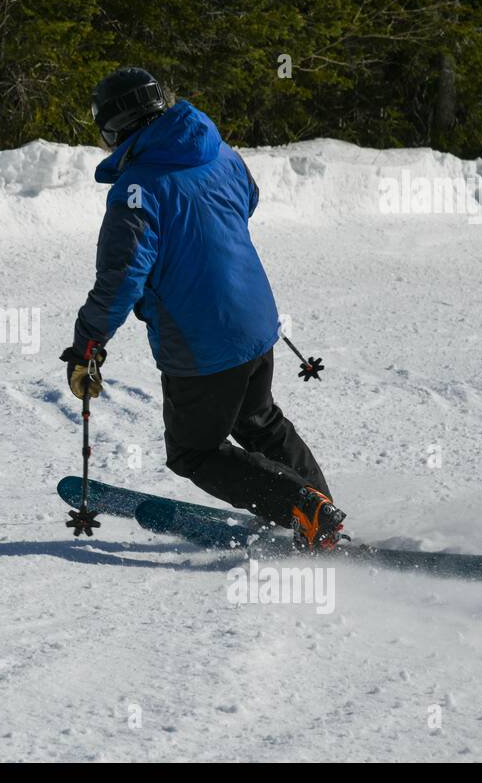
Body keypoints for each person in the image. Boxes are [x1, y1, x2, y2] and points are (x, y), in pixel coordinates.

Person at [60, 67, 346, 550]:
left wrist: (87, 345)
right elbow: (248, 200)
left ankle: (304, 509)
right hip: (255, 322)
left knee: (194, 452)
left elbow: (120, 279)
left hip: (203, 342)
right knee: (260, 422)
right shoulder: (220, 153)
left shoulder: (138, 189)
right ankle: (319, 512)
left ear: (114, 126)